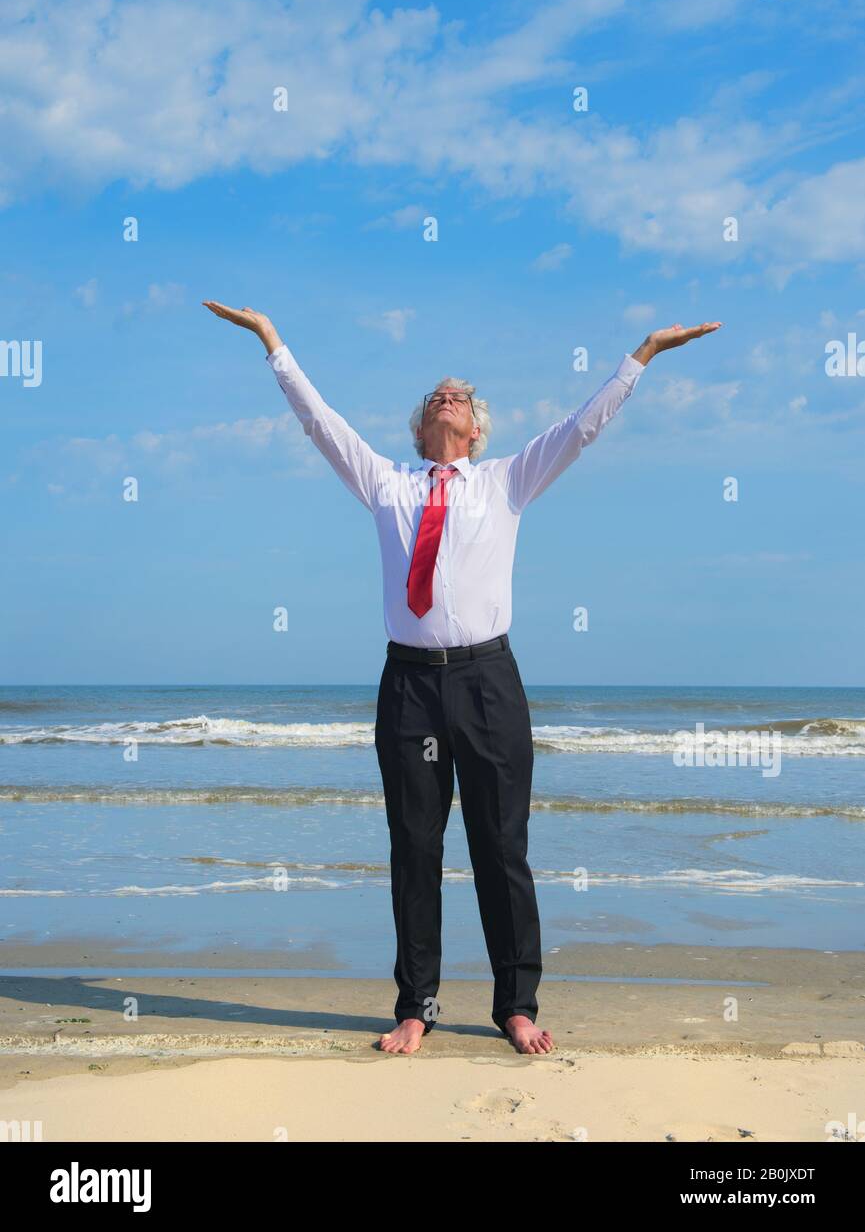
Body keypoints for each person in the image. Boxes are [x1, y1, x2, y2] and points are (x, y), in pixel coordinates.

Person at [204, 299, 721, 1054]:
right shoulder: (386, 483)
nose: (449, 396)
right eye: (436, 396)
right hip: (409, 686)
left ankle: (515, 1004)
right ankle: (415, 1005)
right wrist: (272, 341)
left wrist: (640, 354)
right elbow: (320, 423)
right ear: (421, 430)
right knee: (413, 846)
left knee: (499, 846)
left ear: (475, 431)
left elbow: (582, 428)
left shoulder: (506, 480)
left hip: (486, 683)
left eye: (462, 397)